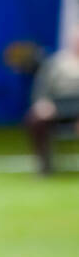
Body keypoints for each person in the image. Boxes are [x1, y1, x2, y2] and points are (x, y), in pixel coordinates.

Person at [23, 24, 79, 174]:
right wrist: (42, 103)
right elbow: (41, 89)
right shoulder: (56, 63)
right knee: (36, 118)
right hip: (58, 107)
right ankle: (44, 165)